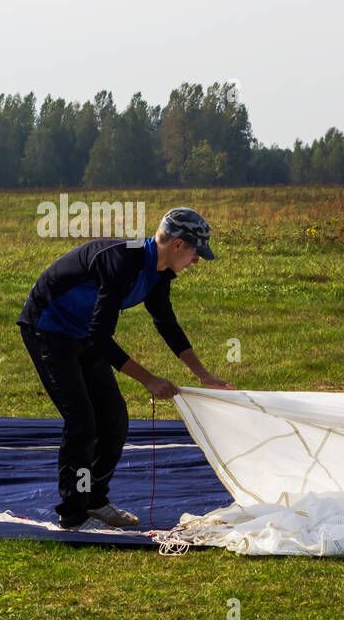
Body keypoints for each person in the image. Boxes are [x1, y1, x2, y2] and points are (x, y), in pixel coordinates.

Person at [17, 207, 235, 529]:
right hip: (47, 329)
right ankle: (73, 514)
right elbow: (102, 338)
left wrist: (203, 374)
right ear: (177, 245)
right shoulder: (122, 262)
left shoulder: (159, 272)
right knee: (82, 420)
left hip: (83, 334)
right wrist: (149, 380)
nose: (197, 260)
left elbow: (165, 321)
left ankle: (95, 500)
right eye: (195, 252)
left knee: (114, 416)